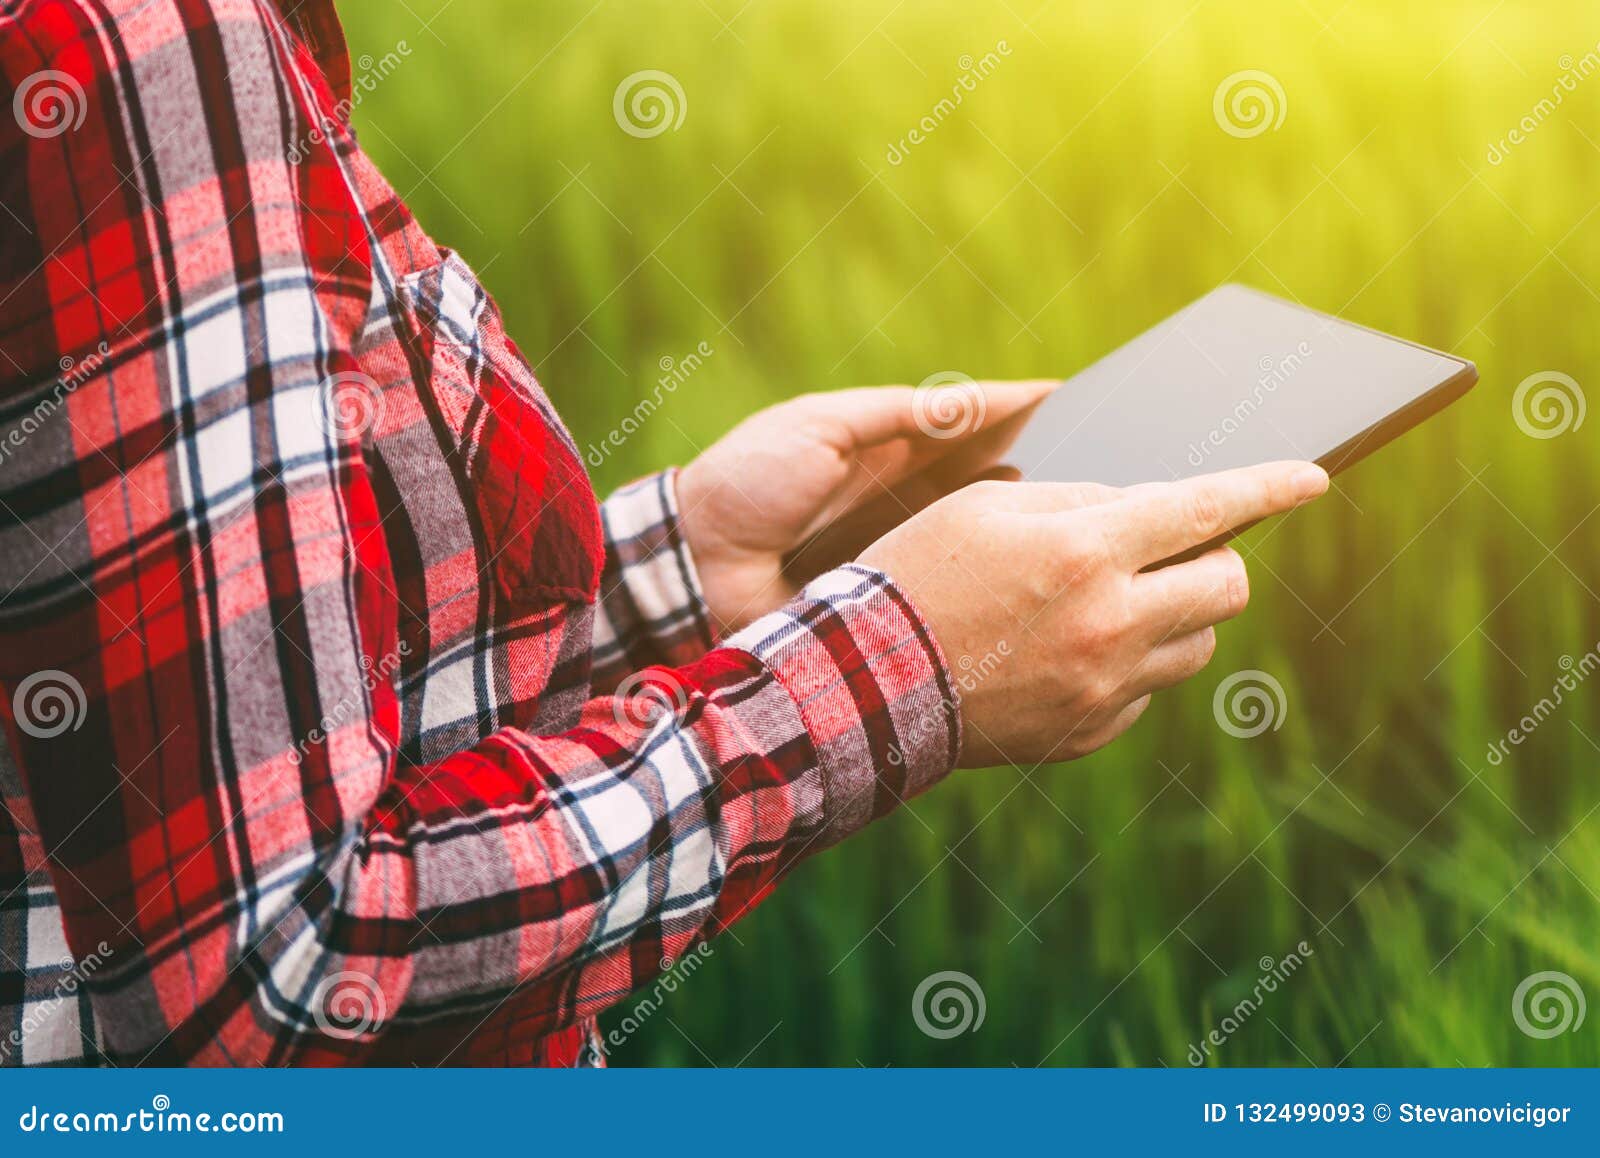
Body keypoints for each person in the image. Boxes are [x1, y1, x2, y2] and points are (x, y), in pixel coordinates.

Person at [0, 0, 1328, 1066]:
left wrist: (678, 572)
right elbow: (280, 983)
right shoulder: (128, 49)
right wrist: (889, 671)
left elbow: (173, 734)